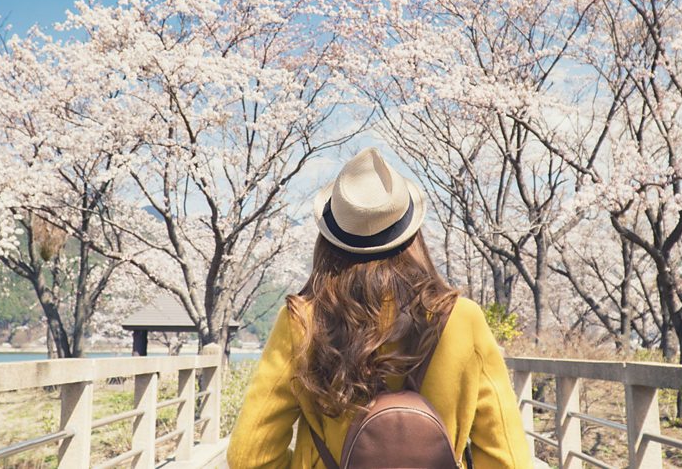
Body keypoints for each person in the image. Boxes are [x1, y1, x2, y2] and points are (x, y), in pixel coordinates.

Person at [227, 147, 532, 468]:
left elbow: (249, 457)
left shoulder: (303, 321)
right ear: (411, 234)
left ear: (329, 241)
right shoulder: (462, 319)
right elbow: (510, 462)